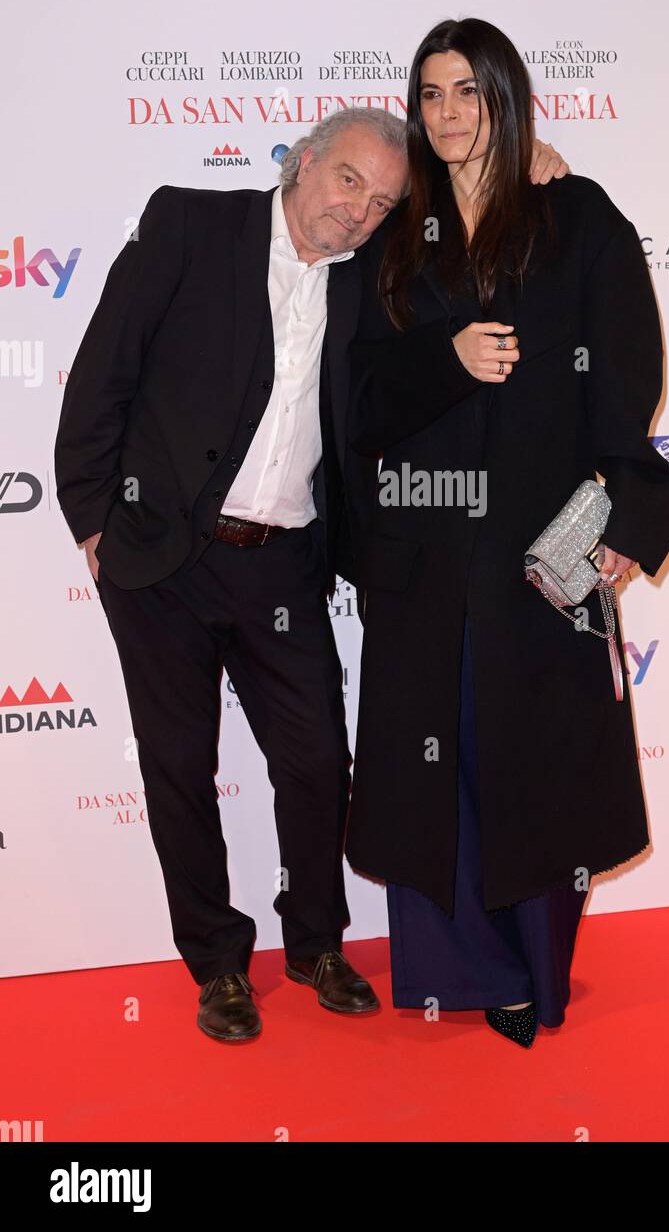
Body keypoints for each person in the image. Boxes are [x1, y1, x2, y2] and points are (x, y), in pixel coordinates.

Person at [53, 105, 568, 1043]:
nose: (359, 214)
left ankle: (317, 943)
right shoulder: (190, 224)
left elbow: (455, 235)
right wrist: (94, 521)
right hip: (162, 559)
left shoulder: (373, 273)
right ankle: (215, 962)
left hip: (284, 564)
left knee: (319, 762)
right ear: (300, 163)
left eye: (380, 204)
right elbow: (101, 376)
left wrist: (521, 162)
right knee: (178, 768)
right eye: (347, 184)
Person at [344, 19, 669, 1048]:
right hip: (424, 548)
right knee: (435, 765)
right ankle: (462, 966)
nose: (447, 114)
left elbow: (626, 372)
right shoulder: (399, 236)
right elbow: (359, 391)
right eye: (431, 94)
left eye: (466, 93)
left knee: (535, 759)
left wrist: (626, 504)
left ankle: (533, 967)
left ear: (503, 96)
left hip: (539, 542)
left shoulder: (573, 215)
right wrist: (448, 356)